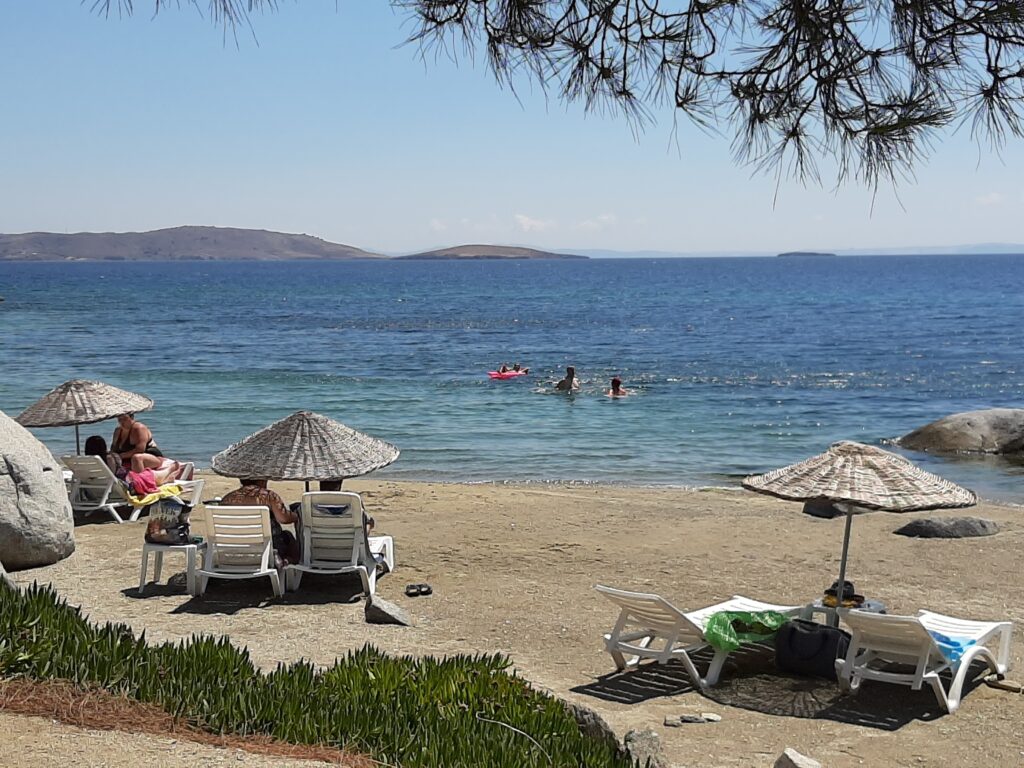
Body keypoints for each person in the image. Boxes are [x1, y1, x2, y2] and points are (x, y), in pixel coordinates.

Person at [220, 478, 300, 567]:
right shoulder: (268, 497)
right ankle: (288, 561)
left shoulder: (227, 499)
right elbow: (284, 519)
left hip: (234, 547)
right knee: (287, 536)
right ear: (262, 480)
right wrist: (296, 516)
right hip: (265, 548)